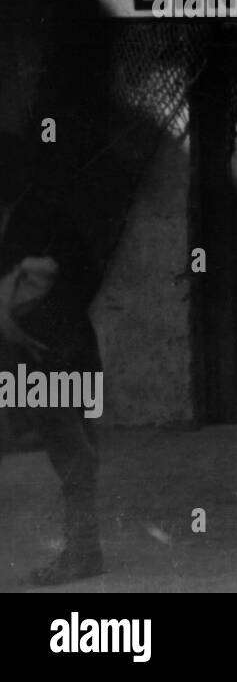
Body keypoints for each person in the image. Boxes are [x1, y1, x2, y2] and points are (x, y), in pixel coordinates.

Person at [0, 131, 104, 585]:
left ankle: (83, 553)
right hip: (21, 355)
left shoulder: (44, 214)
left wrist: (40, 318)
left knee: (72, 452)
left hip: (60, 353)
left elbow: (85, 276)